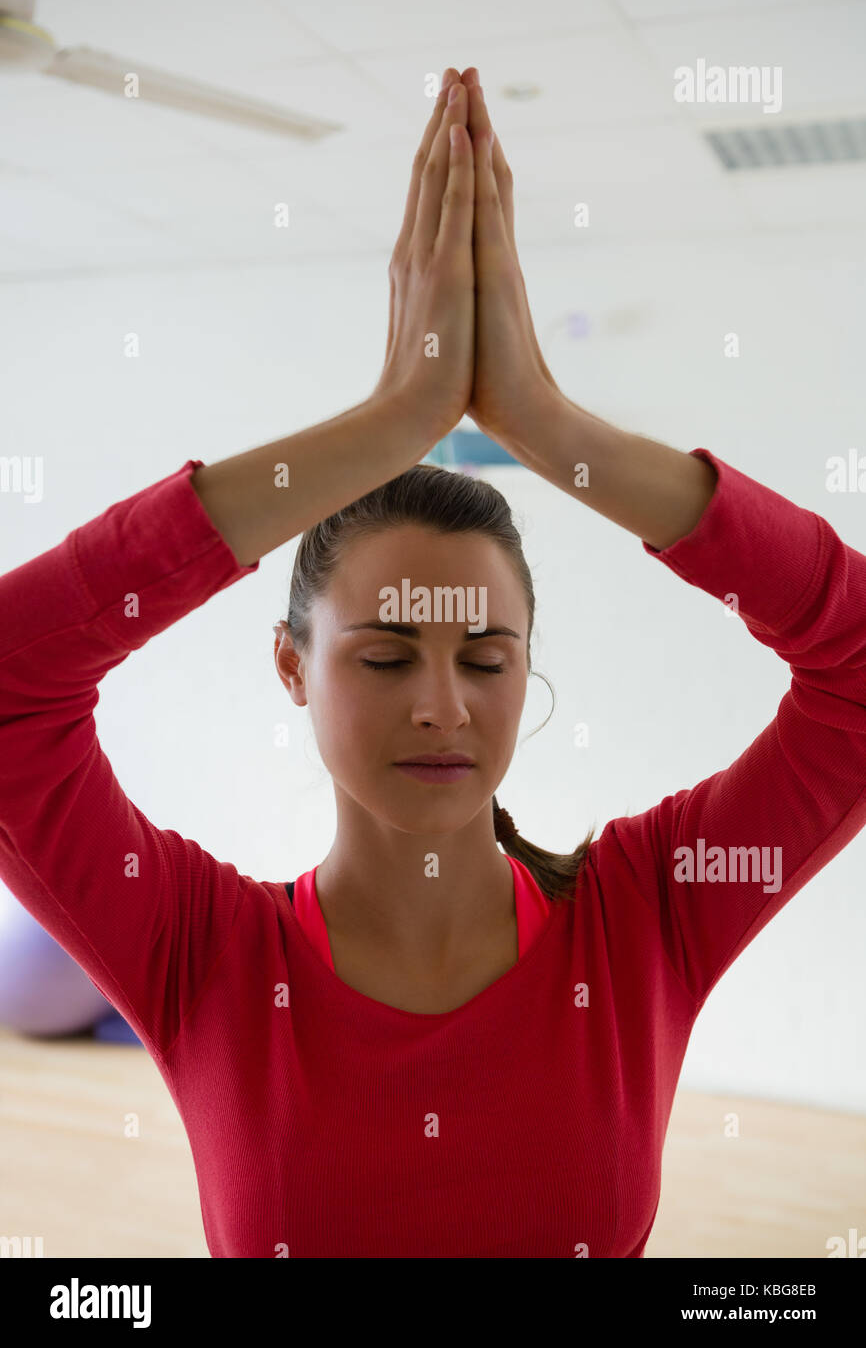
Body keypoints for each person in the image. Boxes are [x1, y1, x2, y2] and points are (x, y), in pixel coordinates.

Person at [1, 66, 864, 1259]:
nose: (443, 705)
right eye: (386, 654)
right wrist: (388, 422)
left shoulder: (648, 917)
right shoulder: (200, 951)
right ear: (291, 666)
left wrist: (551, 429)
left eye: (486, 656)